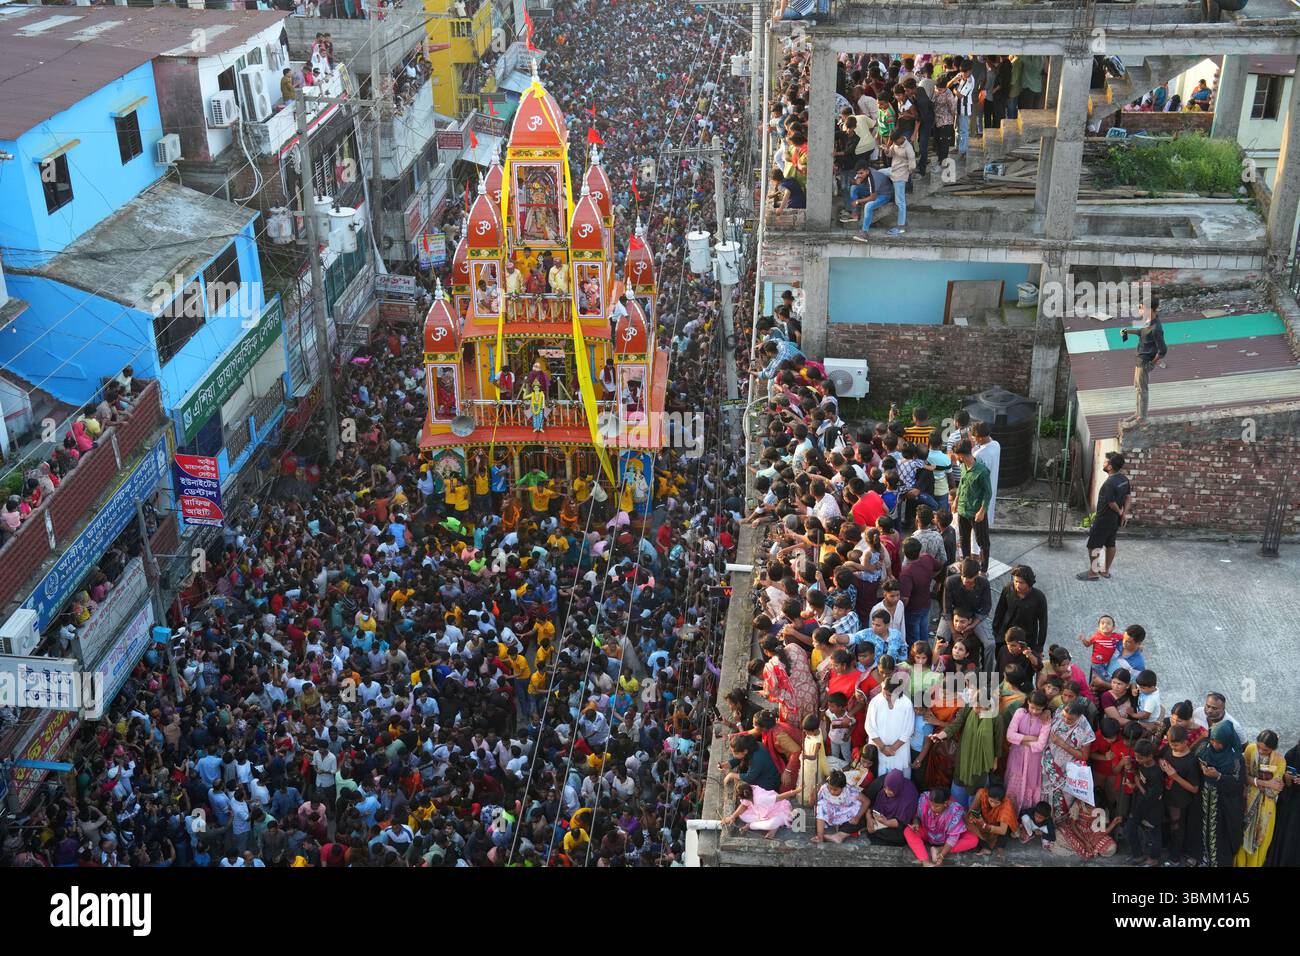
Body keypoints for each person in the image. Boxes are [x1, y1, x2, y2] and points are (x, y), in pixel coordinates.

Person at [1197, 719, 1246, 867]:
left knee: (1220, 835)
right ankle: (1205, 859)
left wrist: (1218, 776)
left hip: (1224, 805)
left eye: (1219, 742)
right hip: (1205, 800)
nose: (1215, 745)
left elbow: (1238, 783)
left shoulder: (1236, 759)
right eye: (1213, 740)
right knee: (1203, 830)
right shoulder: (1206, 748)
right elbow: (1198, 755)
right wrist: (1202, 766)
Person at [1235, 729, 1285, 867]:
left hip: (1265, 808)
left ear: (1273, 749)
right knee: (1242, 838)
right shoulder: (1250, 749)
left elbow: (1274, 790)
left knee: (1260, 841)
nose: (1261, 751)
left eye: (1266, 750)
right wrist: (1265, 783)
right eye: (1259, 747)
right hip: (1246, 802)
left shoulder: (1280, 761)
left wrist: (1254, 782)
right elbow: (1242, 776)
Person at [1080, 452, 1130, 580]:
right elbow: (1128, 497)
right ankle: (1105, 571)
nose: (1103, 463)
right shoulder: (1124, 480)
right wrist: (1124, 514)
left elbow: (1111, 503)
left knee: (1093, 545)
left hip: (1104, 519)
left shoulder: (1109, 483)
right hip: (1115, 520)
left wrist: (1119, 511)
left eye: (1105, 461)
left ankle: (1093, 572)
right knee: (1110, 543)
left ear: (1110, 467)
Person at [1120, 296, 1167, 426]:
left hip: (1145, 362)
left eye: (1141, 308)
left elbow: (1163, 350)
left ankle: (1143, 416)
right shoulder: (1149, 322)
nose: (1139, 311)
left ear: (1149, 309)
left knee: (1142, 390)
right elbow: (1142, 332)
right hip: (1139, 360)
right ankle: (1138, 412)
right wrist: (1127, 331)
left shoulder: (1156, 328)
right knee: (1137, 388)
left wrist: (1152, 363)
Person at [1004, 691, 1051, 813]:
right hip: (1016, 755)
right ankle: (1010, 812)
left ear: (1044, 708)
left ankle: (1026, 813)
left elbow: (1041, 745)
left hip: (1033, 759)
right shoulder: (1020, 713)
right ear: (1028, 703)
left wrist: (1020, 739)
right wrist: (1032, 738)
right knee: (1014, 780)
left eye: (1039, 709)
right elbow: (1009, 736)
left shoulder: (1046, 719)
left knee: (1030, 783)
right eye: (1032, 707)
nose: (1035, 711)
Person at [905, 786, 977, 866]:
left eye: (936, 806)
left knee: (973, 840)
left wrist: (942, 854)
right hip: (927, 832)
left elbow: (953, 837)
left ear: (946, 804)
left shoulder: (955, 811)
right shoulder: (924, 799)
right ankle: (925, 862)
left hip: (946, 837)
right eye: (930, 804)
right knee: (908, 831)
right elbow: (917, 816)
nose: (932, 808)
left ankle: (938, 849)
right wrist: (916, 823)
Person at [950, 440, 991, 573]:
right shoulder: (963, 467)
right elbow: (961, 485)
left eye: (956, 455)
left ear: (961, 455)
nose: (955, 457)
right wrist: (956, 500)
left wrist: (982, 511)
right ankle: (967, 566)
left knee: (982, 542)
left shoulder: (982, 471)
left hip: (976, 513)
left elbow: (987, 493)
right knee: (964, 540)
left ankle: (983, 569)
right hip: (963, 511)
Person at [865, 673, 915, 779]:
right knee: (880, 778)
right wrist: (883, 748)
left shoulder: (906, 703)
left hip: (899, 750)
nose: (888, 697)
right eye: (886, 694)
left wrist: (892, 749)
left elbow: (908, 730)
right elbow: (869, 726)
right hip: (879, 747)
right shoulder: (875, 702)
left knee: (899, 780)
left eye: (891, 695)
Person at [721, 783, 799, 839]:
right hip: (763, 811)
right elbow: (744, 805)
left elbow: (779, 798)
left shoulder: (760, 798)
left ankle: (751, 825)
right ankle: (763, 823)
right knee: (742, 815)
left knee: (772, 824)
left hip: (779, 810)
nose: (740, 799)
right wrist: (732, 816)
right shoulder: (749, 791)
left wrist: (796, 791)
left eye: (740, 798)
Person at [812, 770, 869, 843]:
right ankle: (820, 837)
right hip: (832, 813)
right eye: (830, 788)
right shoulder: (824, 789)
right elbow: (815, 803)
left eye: (835, 790)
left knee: (860, 807)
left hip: (846, 811)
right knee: (821, 805)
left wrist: (857, 817)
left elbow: (867, 801)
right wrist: (813, 791)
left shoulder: (849, 790)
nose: (832, 791)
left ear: (843, 787)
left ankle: (840, 832)